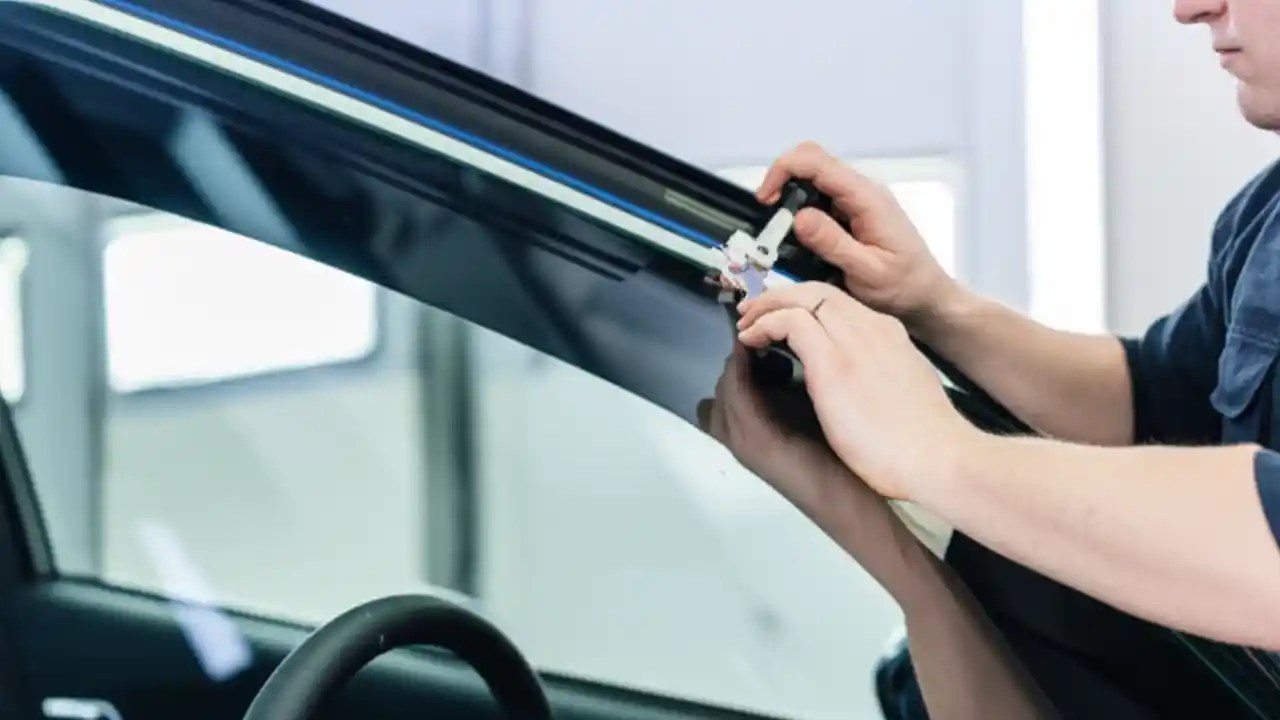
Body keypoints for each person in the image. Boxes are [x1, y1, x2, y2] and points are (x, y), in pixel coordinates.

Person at [700, 0, 1280, 716]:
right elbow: (1155, 403)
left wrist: (938, 453)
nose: (1191, 8)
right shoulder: (1267, 217)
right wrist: (934, 305)